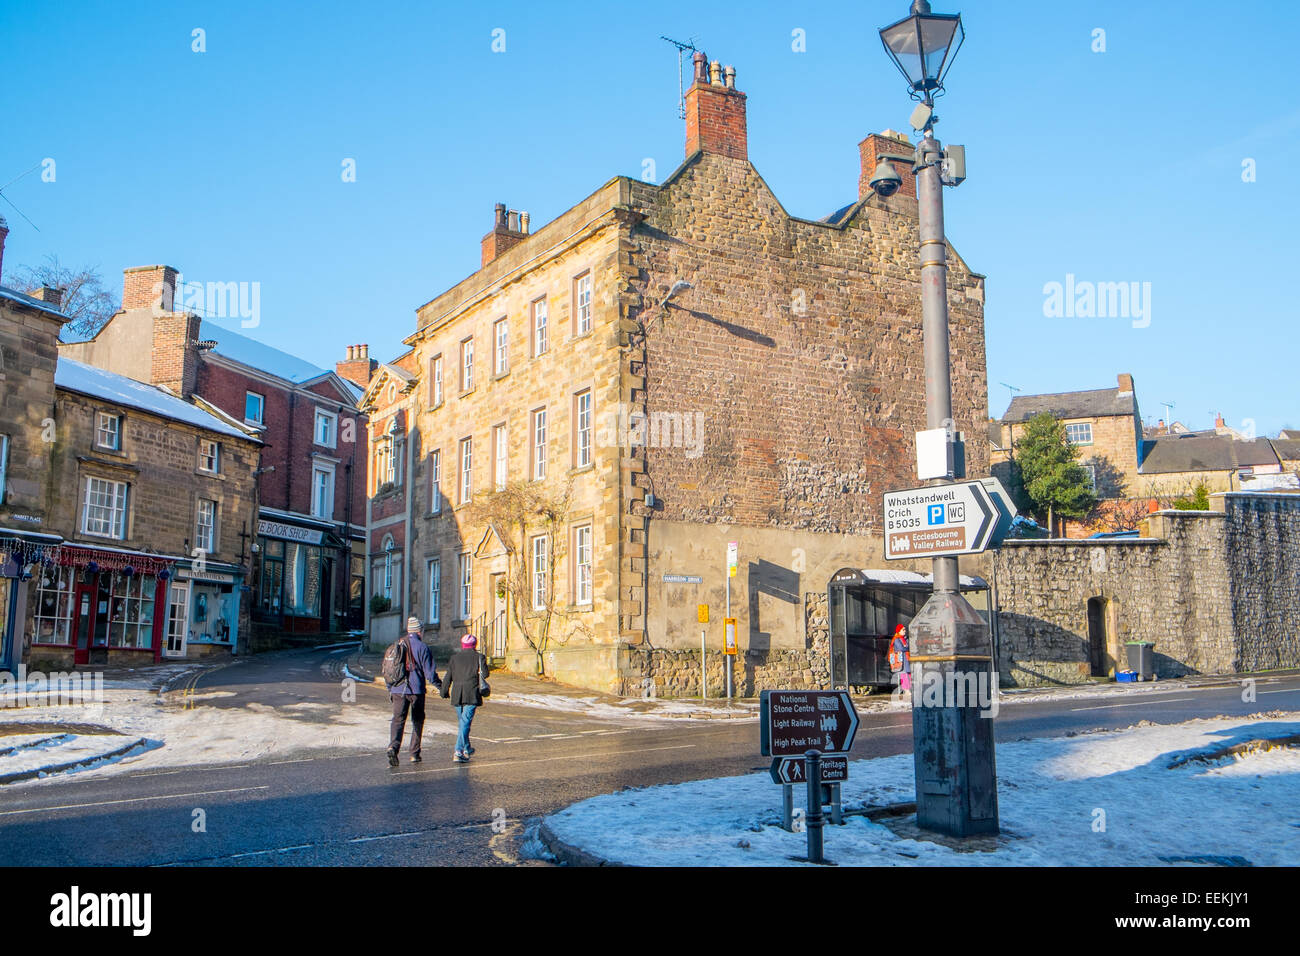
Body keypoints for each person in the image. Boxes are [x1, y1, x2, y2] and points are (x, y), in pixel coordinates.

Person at [387, 617, 442, 767]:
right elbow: (430, 674)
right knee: (417, 720)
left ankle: (393, 747)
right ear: (420, 631)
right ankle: (414, 753)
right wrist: (441, 687)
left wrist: (390, 688)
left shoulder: (397, 644)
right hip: (416, 690)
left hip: (397, 689)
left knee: (398, 720)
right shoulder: (423, 647)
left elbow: (388, 669)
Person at [440, 633, 488, 763]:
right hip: (471, 693)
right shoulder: (480, 657)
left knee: (463, 722)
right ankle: (458, 750)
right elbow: (486, 674)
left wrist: (444, 691)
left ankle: (467, 748)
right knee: (465, 723)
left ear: (463, 645)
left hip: (457, 694)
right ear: (474, 645)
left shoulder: (454, 658)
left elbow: (448, 676)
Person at [888, 623, 911, 696]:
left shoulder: (905, 639)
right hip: (901, 660)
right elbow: (901, 648)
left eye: (905, 629)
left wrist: (906, 648)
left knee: (909, 673)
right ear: (899, 631)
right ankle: (906, 690)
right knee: (903, 674)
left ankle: (909, 689)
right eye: (903, 629)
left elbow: (906, 647)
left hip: (907, 659)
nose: (905, 631)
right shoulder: (896, 639)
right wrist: (908, 648)